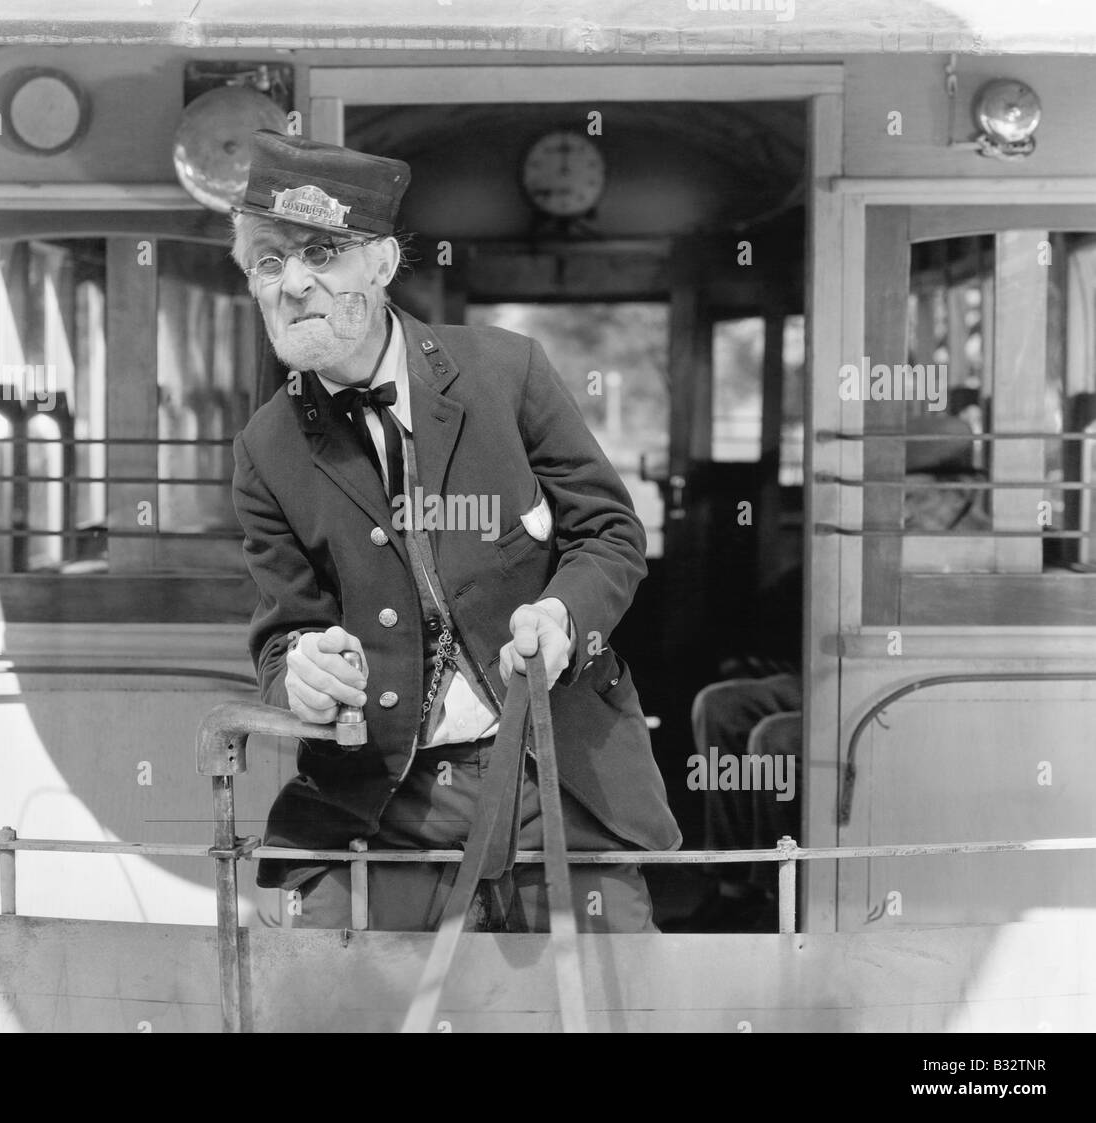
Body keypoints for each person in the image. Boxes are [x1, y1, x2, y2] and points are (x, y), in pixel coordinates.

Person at [228, 130, 681, 933]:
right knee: (326, 1009)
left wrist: (562, 618)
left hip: (556, 774)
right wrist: (300, 671)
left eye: (322, 253)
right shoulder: (267, 450)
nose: (294, 282)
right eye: (270, 261)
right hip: (379, 796)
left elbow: (609, 532)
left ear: (381, 264)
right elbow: (279, 637)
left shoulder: (509, 373)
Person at [680, 411, 988, 931]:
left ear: (955, 489)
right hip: (849, 676)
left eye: (912, 494)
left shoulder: (983, 548)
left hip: (904, 697)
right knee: (722, 706)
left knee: (776, 739)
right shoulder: (893, 529)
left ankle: (785, 896)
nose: (902, 505)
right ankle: (733, 884)